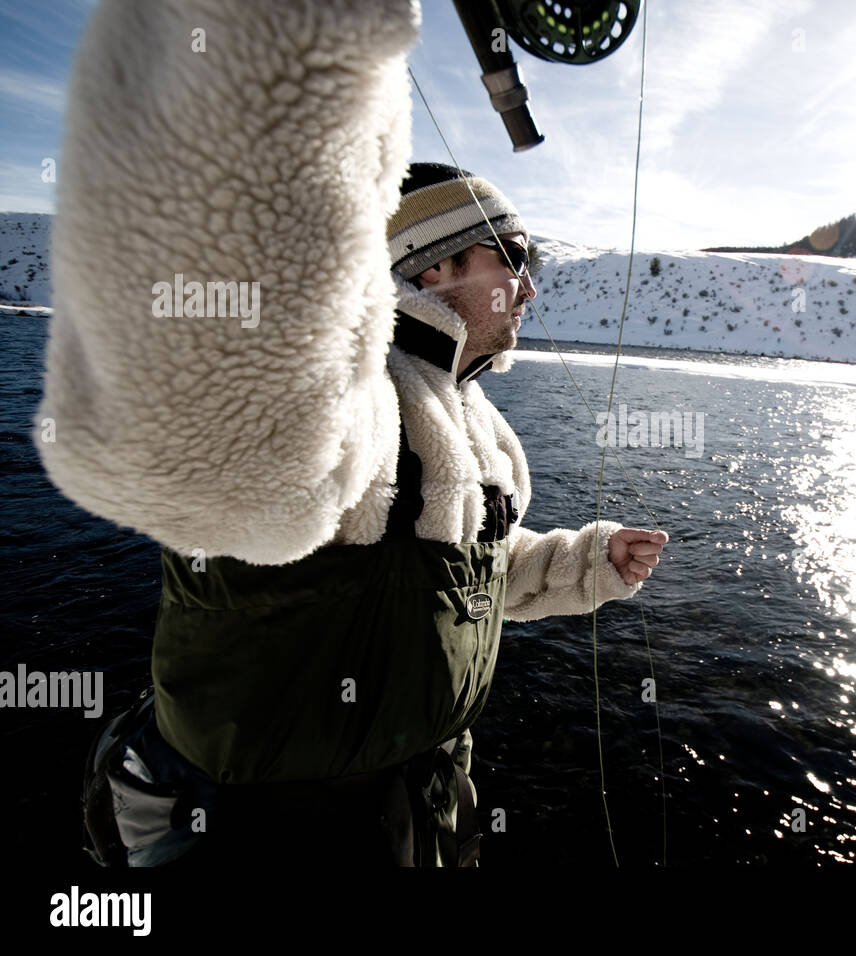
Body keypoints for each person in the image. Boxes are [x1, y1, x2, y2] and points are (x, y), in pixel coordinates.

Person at [38, 0, 667, 867]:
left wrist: (590, 562)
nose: (530, 286)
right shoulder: (352, 393)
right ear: (434, 266)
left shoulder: (470, 417)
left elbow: (468, 573)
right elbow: (226, 398)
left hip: (423, 815)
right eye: (513, 256)